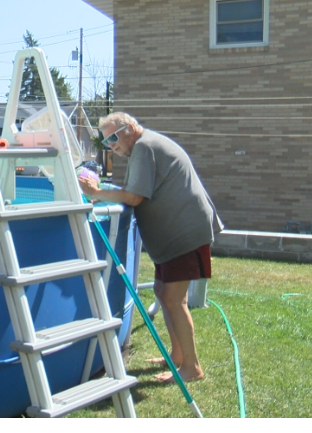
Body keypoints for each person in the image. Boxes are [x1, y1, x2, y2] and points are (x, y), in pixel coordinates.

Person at [78, 112, 223, 384]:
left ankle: (192, 367)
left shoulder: (144, 147)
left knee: (172, 299)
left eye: (114, 136)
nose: (111, 145)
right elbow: (135, 191)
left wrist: (96, 193)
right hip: (174, 237)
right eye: (106, 141)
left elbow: (133, 197)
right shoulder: (143, 148)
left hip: (185, 234)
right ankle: (178, 357)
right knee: (162, 293)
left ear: (130, 127)